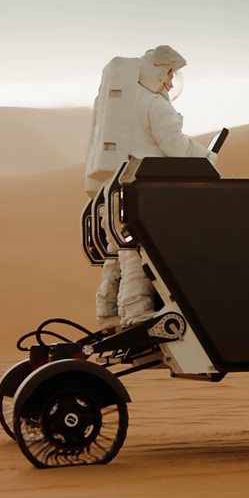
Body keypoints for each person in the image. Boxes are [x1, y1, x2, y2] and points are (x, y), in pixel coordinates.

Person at [85, 45, 216, 330]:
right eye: (169, 74)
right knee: (137, 254)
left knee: (117, 252)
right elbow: (176, 147)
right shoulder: (154, 104)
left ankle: (108, 312)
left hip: (113, 192)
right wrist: (207, 156)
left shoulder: (124, 104)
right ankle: (135, 314)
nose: (170, 82)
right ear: (158, 71)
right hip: (141, 196)